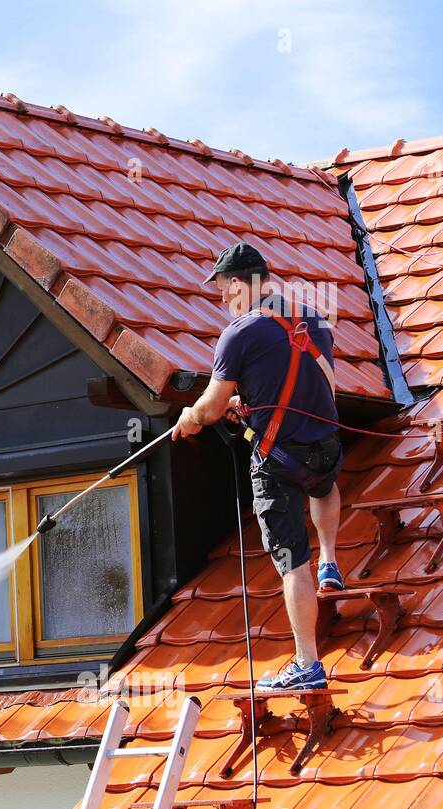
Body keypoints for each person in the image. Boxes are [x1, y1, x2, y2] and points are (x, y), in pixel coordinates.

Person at [171, 242, 343, 691]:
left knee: (291, 563)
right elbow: (300, 377)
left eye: (223, 292)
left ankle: (307, 665)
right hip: (325, 449)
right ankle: (331, 560)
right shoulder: (315, 320)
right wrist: (248, 402)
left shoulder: (239, 333)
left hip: (278, 460)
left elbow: (209, 407)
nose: (223, 301)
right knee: (324, 489)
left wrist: (190, 417)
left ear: (235, 284)